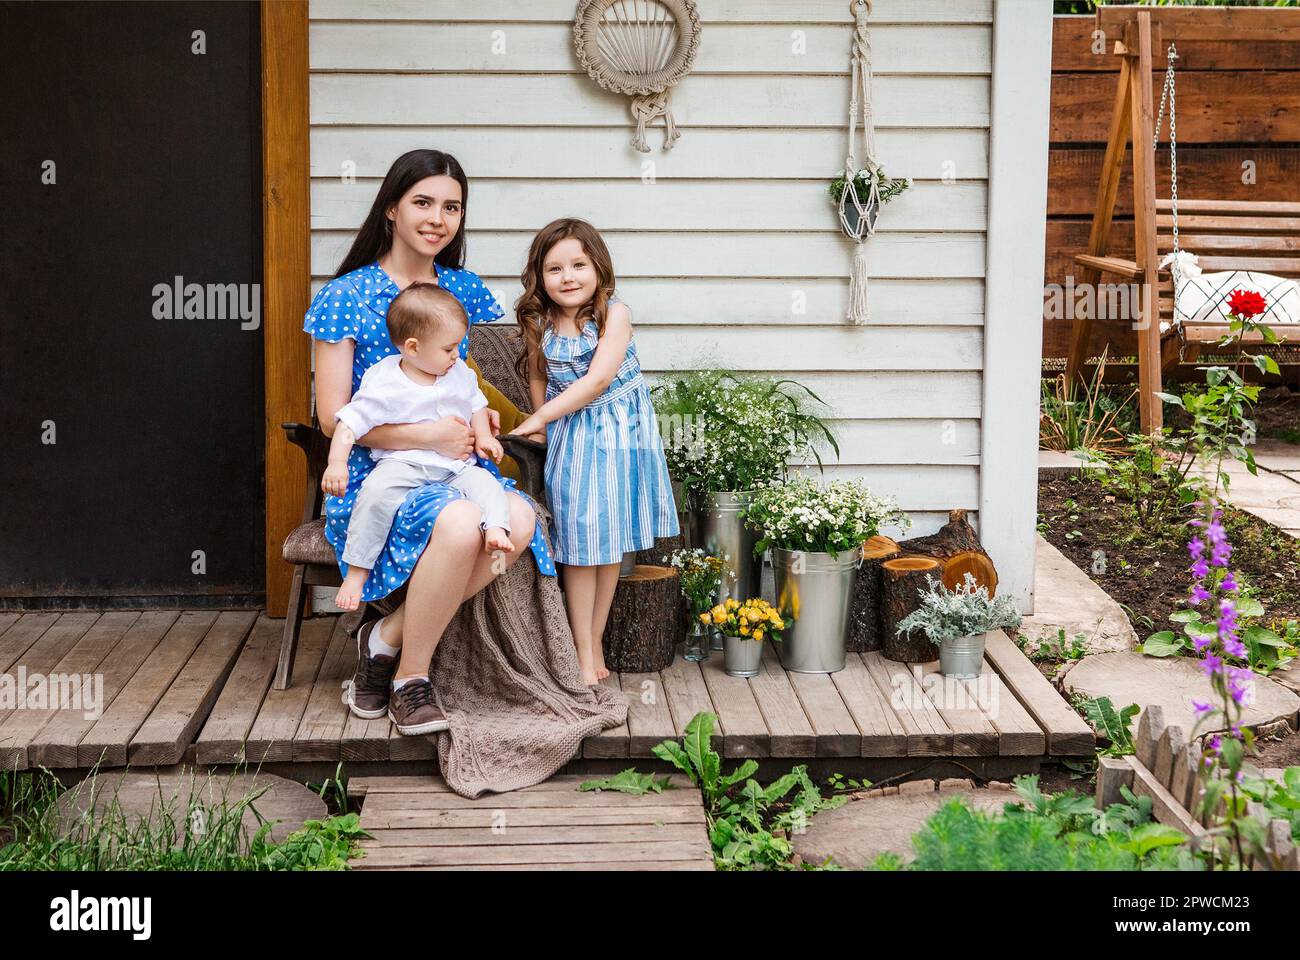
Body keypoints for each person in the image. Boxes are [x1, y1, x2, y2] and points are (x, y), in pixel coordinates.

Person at [510, 218, 680, 685]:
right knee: (581, 544)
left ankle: (595, 639)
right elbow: (539, 376)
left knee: (608, 546)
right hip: (575, 437)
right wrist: (542, 420)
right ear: (539, 276)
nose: (568, 277)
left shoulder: (614, 314)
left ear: (598, 268)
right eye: (554, 268)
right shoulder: (537, 321)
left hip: (621, 435)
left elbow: (599, 379)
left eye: (578, 265)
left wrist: (540, 418)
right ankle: (580, 650)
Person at [323, 283, 513, 622]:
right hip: (403, 463)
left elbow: (477, 404)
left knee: (488, 487)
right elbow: (349, 422)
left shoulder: (458, 373)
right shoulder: (384, 379)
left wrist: (483, 437)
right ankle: (357, 570)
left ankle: (496, 529)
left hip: (456, 464)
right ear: (413, 347)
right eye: (449, 348)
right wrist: (337, 463)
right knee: (375, 495)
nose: (457, 355)